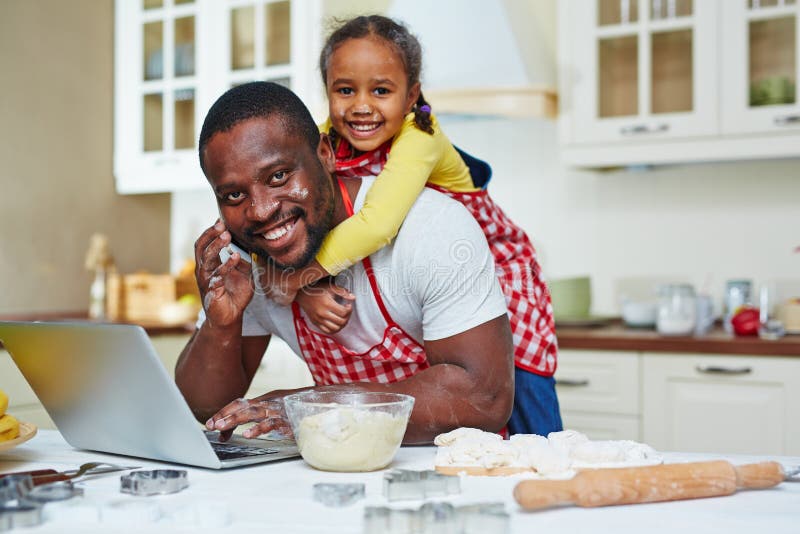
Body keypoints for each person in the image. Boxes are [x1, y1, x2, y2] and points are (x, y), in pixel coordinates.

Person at [260, 15, 561, 436]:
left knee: (521, 389)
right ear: (327, 90)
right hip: (425, 283)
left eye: (381, 90)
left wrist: (298, 278)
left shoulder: (421, 134)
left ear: (411, 96)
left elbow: (378, 223)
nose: (362, 106)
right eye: (345, 90)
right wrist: (307, 289)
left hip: (500, 271)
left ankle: (549, 465)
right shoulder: (323, 140)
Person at [175, 81, 515, 444]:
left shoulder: (429, 228)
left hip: (449, 470)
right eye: (234, 195)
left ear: (325, 154)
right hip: (339, 468)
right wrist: (220, 324)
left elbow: (484, 398)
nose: (260, 210)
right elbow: (205, 407)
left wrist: (314, 408)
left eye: (278, 176)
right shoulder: (246, 261)